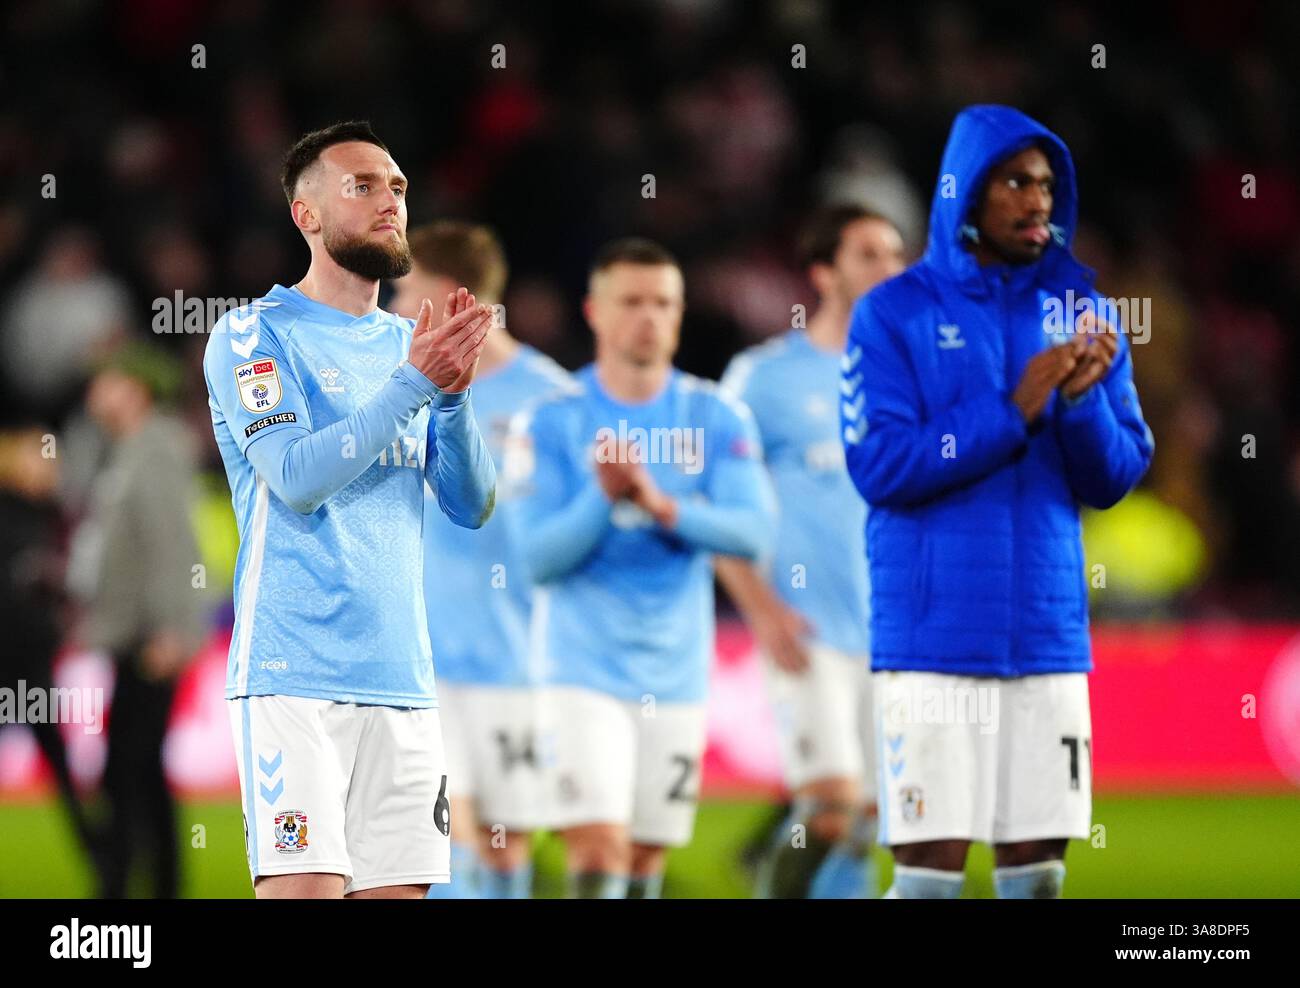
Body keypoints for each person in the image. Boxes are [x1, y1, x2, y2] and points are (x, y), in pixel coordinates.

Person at [840, 104, 1154, 898]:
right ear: (966, 192)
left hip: (1047, 639)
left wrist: (1079, 405)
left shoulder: (1085, 314)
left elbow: (1114, 478)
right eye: (1016, 181)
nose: (1038, 200)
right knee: (928, 885)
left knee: (1038, 881)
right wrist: (1011, 412)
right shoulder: (894, 312)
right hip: (934, 643)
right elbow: (882, 465)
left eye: (1047, 184)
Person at [202, 121, 497, 900]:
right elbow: (296, 475)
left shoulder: (414, 343)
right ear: (306, 216)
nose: (389, 199)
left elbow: (471, 506)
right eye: (361, 185)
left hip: (403, 680)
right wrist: (415, 385)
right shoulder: (253, 335)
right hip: (293, 674)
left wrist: (456, 397)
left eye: (397, 185)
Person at [509, 238, 773, 898]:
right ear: (594, 311)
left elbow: (754, 532)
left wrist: (660, 505)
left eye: (663, 303)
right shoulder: (552, 420)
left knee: (644, 864)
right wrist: (603, 497)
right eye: (631, 302)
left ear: (681, 314)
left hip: (675, 674)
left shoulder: (714, 415)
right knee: (599, 852)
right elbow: (536, 560)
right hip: (578, 671)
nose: (648, 317)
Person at [718, 204, 905, 898]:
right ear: (824, 272)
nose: (889, 268)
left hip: (898, 633)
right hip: (810, 630)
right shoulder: (764, 377)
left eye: (895, 253)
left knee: (868, 819)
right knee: (828, 808)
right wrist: (762, 609)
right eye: (868, 254)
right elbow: (715, 502)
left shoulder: (915, 378)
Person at [390, 221, 571, 899]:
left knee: (505, 849)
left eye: (406, 287)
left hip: (519, 661)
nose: (395, 302)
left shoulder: (554, 401)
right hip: (419, 659)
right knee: (439, 843)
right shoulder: (400, 388)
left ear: (448, 293)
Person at [67, 344, 207, 898]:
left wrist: (175, 629)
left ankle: (122, 892)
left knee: (127, 775)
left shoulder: (155, 450)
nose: (93, 394)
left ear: (135, 390)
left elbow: (174, 545)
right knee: (140, 776)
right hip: (135, 634)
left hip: (154, 637)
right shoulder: (126, 449)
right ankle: (158, 889)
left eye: (106, 382)